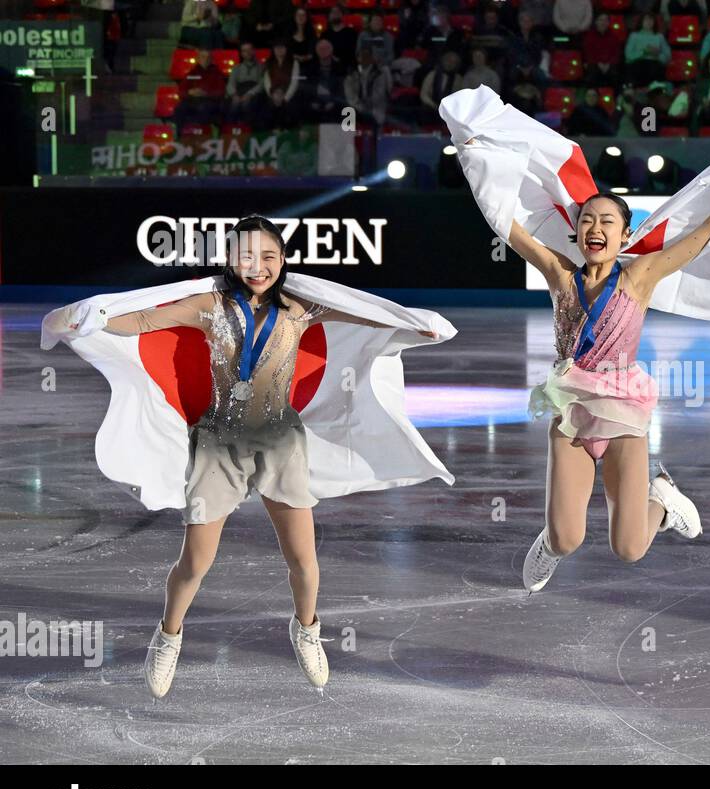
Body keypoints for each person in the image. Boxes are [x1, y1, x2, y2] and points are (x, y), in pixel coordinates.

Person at [41, 216, 453, 697]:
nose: (258, 267)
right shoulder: (208, 305)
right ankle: (168, 636)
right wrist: (96, 319)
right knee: (195, 562)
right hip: (219, 443)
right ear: (231, 260)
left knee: (303, 558)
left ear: (282, 260)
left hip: (280, 442)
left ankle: (307, 629)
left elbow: (364, 317)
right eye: (247, 256)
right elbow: (145, 321)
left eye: (269, 257)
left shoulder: (301, 307)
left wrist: (410, 326)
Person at [440, 86, 710, 593]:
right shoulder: (560, 274)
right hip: (572, 404)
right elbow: (507, 225)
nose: (595, 227)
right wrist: (478, 164)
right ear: (577, 233)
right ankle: (552, 543)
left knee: (628, 549)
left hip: (623, 409)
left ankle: (662, 500)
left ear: (625, 236)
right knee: (564, 539)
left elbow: (700, 236)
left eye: (607, 221)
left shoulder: (639, 277)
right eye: (587, 220)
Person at [174, 48, 227, 128]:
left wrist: (206, 94)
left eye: (208, 57)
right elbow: (181, 91)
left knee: (203, 108)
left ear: (211, 59)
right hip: (192, 100)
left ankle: (202, 135)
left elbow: (221, 92)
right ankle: (181, 135)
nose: (205, 59)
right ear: (198, 59)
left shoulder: (217, 73)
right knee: (179, 108)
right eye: (203, 57)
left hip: (210, 101)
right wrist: (189, 92)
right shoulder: (192, 73)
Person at [302, 39, 347, 122]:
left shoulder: (340, 68)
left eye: (326, 48)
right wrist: (313, 100)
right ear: (316, 51)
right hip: (314, 102)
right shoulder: (310, 68)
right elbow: (304, 86)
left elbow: (342, 88)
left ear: (331, 50)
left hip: (334, 102)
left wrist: (333, 102)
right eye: (321, 49)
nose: (323, 51)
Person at [345, 46, 393, 126]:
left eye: (367, 55)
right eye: (361, 56)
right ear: (357, 58)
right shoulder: (351, 75)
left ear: (371, 58)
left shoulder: (380, 73)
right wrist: (360, 107)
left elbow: (380, 95)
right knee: (348, 112)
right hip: (357, 109)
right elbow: (350, 96)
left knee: (376, 116)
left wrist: (368, 105)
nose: (364, 58)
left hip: (376, 108)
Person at [624, 13, 670, 88]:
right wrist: (644, 52)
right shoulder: (634, 36)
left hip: (655, 65)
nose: (649, 22)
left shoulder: (659, 36)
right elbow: (628, 55)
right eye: (646, 19)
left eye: (651, 19)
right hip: (637, 65)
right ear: (641, 22)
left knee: (655, 68)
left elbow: (667, 57)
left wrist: (657, 54)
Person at [225, 41, 266, 122]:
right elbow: (230, 83)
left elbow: (262, 83)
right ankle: (231, 129)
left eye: (250, 50)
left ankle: (248, 129)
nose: (248, 53)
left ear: (254, 51)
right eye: (244, 51)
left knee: (247, 103)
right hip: (239, 91)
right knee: (234, 103)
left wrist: (250, 93)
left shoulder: (261, 67)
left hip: (254, 92)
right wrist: (234, 95)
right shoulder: (237, 68)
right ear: (241, 53)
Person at [583, 12, 622, 87]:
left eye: (606, 20)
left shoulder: (614, 36)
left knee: (615, 74)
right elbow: (588, 53)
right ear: (596, 22)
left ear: (608, 23)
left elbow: (617, 53)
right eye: (601, 20)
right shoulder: (589, 36)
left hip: (610, 64)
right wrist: (598, 63)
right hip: (594, 63)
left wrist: (608, 64)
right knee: (592, 74)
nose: (603, 22)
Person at [321, 5, 359, 69]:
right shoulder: (325, 34)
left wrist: (339, 60)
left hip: (349, 70)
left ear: (342, 15)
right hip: (331, 71)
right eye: (333, 12)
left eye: (338, 11)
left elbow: (356, 53)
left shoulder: (352, 32)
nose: (335, 13)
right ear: (329, 16)